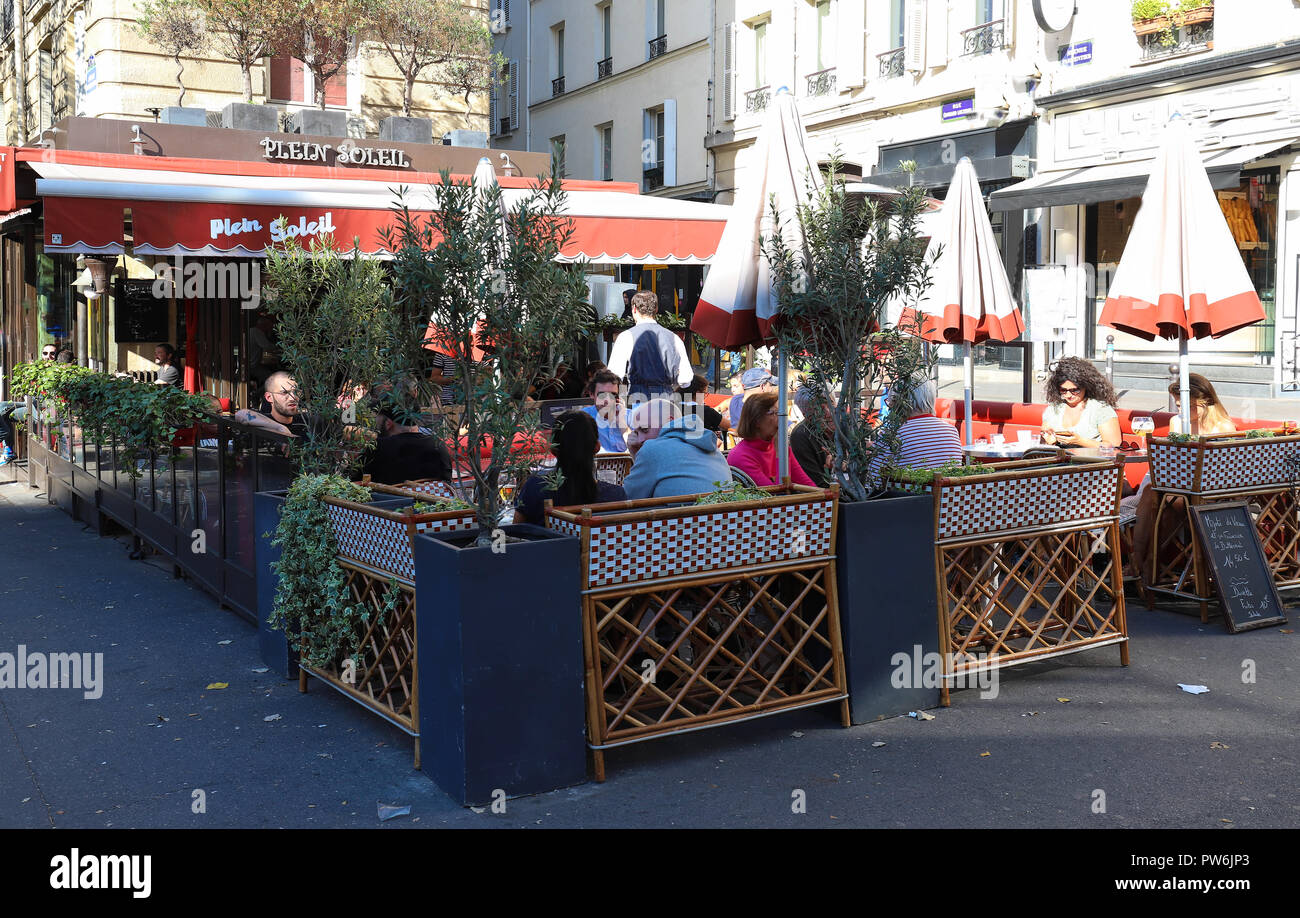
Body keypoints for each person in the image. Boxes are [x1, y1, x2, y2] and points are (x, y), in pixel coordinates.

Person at [1130, 374, 1237, 581]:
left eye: (1185, 406)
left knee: (1170, 502)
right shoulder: (1177, 422)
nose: (1180, 410)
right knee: (1152, 493)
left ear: (1204, 402)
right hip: (1180, 484)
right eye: (1178, 405)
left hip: (1211, 489)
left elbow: (1223, 470)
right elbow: (1173, 462)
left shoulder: (1223, 428)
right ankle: (1140, 563)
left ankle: (1147, 566)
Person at [514, 410, 626, 525]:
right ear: (597, 447)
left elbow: (516, 534)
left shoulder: (535, 488)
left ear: (553, 450)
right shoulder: (616, 496)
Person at [622, 399, 731, 499]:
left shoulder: (653, 449)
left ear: (670, 421)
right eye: (636, 432)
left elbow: (628, 497)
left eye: (645, 429)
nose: (639, 439)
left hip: (680, 519)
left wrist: (634, 453)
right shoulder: (711, 448)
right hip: (724, 518)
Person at [606, 290, 693, 401]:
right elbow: (685, 380)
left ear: (634, 310)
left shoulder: (626, 337)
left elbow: (614, 375)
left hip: (637, 400)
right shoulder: (674, 338)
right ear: (656, 310)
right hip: (667, 401)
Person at [726, 392, 815, 487]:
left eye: (781, 413)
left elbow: (807, 484)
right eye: (775, 413)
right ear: (756, 420)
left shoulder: (780, 447)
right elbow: (776, 495)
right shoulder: (741, 456)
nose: (781, 419)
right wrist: (779, 454)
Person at [1040, 356, 1121, 448]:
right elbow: (1043, 441)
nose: (1069, 395)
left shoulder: (1100, 409)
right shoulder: (1053, 408)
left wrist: (1080, 441)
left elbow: (1114, 446)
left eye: (1074, 390)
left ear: (1086, 386)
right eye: (1063, 390)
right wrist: (1049, 440)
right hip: (1058, 459)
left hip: (1091, 461)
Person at [885, 379, 963, 470]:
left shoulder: (892, 435)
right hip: (948, 484)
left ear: (899, 402)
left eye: (891, 401)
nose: (890, 406)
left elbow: (874, 479)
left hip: (909, 484)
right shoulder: (951, 431)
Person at [362, 408, 454, 485]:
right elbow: (447, 483)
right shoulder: (438, 445)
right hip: (435, 504)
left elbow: (360, 482)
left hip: (384, 505)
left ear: (388, 423)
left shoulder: (377, 447)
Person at [234, 371, 307, 437]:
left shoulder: (305, 422)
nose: (293, 397)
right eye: (284, 393)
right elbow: (240, 414)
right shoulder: (263, 420)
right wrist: (280, 427)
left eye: (296, 392)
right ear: (269, 397)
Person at [790, 385, 832, 488]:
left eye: (830, 404)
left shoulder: (848, 424)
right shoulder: (801, 436)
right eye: (820, 410)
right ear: (806, 415)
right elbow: (817, 484)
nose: (829, 412)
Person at [581, 369, 627, 453]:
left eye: (613, 395)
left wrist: (621, 422)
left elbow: (637, 450)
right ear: (591, 394)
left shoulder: (630, 416)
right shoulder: (583, 417)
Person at [680, 374, 726, 439]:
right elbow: (729, 426)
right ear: (698, 393)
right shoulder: (706, 411)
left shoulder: (673, 407)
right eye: (705, 393)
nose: (705, 397)